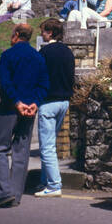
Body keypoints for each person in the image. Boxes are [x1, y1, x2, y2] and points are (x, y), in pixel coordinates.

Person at [0, 25, 49, 207]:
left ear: (16, 35)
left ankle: (4, 193)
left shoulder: (8, 55)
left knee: (0, 149)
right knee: (21, 151)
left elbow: (5, 83)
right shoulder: (38, 56)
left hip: (10, 109)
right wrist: (35, 103)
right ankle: (15, 195)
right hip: (29, 110)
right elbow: (44, 83)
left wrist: (17, 102)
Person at [35, 18, 75, 198]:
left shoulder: (44, 52)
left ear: (50, 33)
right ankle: (45, 180)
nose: (42, 34)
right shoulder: (68, 52)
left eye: (43, 31)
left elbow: (38, 77)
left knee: (47, 146)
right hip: (64, 101)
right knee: (50, 143)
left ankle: (53, 185)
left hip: (48, 102)